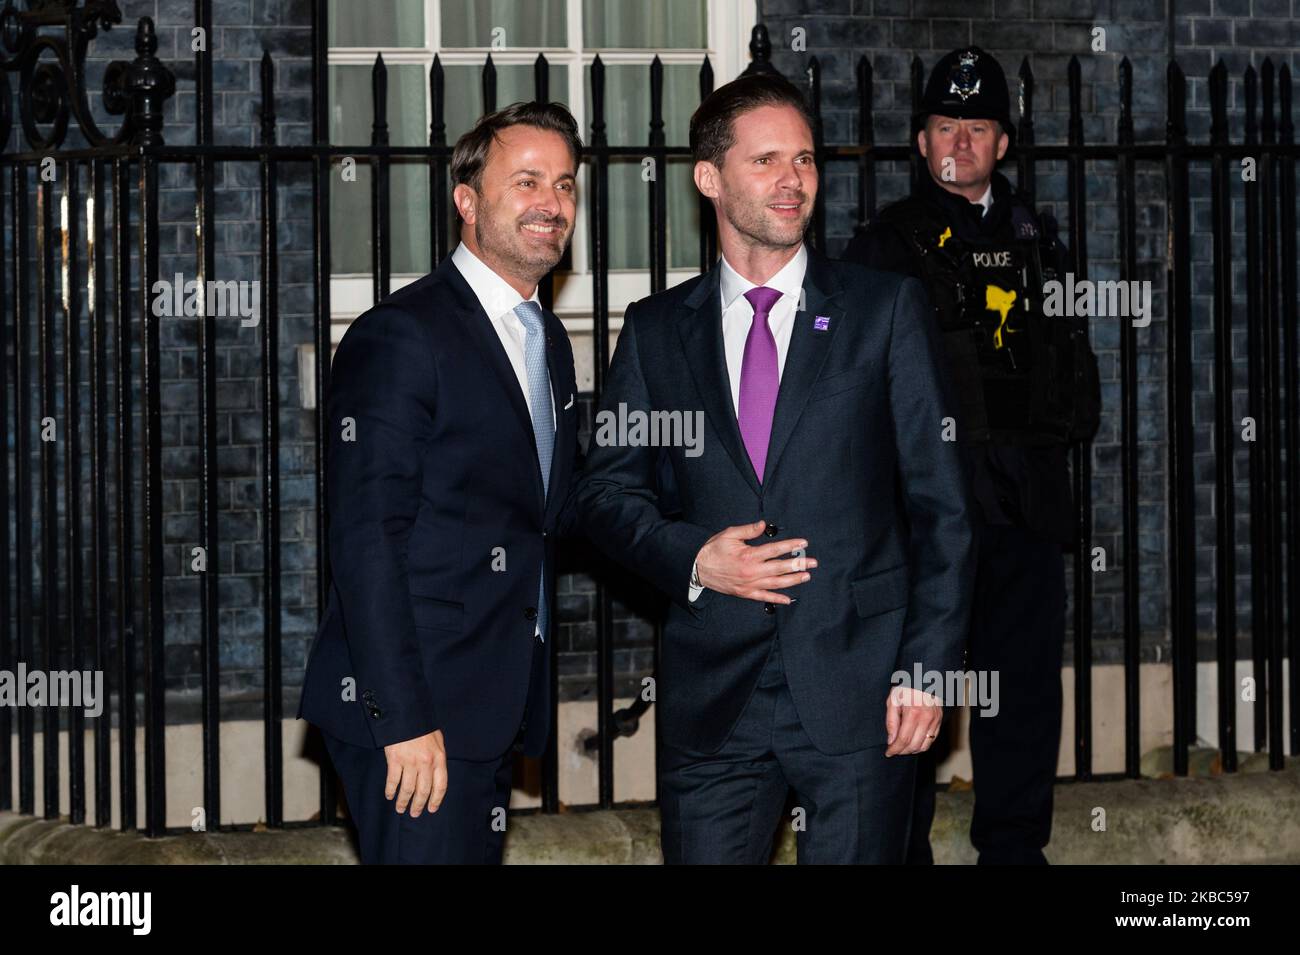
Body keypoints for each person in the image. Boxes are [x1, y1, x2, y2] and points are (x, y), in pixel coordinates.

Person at [569, 72, 975, 864]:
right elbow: (603, 492)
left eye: (806, 160)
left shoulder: (882, 310)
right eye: (767, 161)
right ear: (709, 178)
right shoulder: (656, 331)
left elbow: (943, 507)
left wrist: (927, 671)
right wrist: (694, 557)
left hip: (863, 693)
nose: (793, 180)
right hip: (715, 700)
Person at [298, 102, 583, 864]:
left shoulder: (547, 341)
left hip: (490, 700)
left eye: (564, 185)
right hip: (415, 711)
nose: (552, 204)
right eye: (526, 181)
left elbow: (546, 512)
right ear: (467, 200)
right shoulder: (402, 335)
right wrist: (402, 718)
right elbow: (365, 539)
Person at [842, 47, 1100, 865]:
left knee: (1021, 696)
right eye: (945, 125)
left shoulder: (1038, 237)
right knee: (917, 691)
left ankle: (1015, 852)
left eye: (978, 126)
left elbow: (1068, 367)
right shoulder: (884, 248)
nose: (960, 141)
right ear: (920, 142)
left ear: (1002, 143)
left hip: (1024, 507)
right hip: (930, 515)